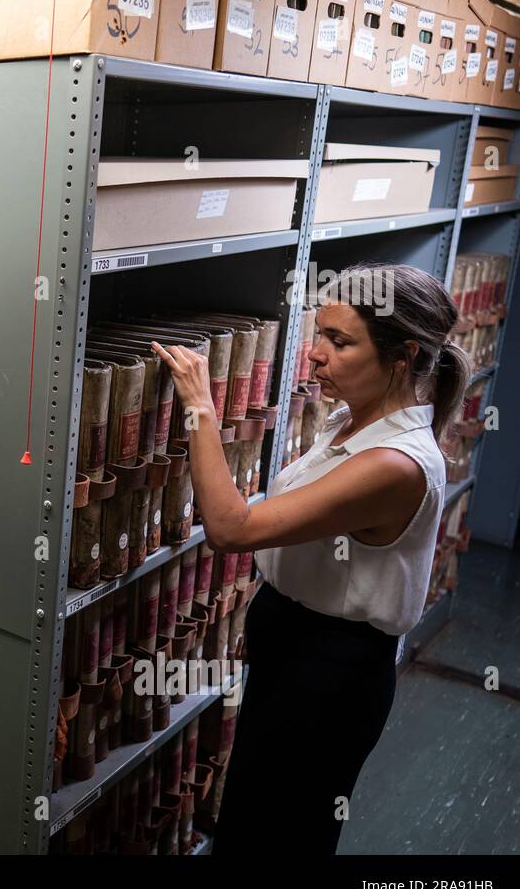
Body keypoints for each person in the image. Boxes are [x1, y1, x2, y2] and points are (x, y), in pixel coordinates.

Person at [150, 262, 470, 854]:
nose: (314, 355)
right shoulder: (356, 419)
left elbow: (228, 527)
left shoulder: (394, 465)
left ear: (400, 357)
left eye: (339, 341)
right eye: (317, 333)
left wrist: (199, 404)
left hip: (328, 675)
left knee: (281, 836)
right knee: (252, 822)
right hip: (297, 650)